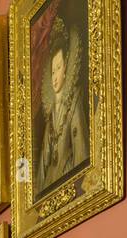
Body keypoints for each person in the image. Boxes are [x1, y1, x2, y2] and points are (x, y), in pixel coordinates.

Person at [36, 17, 88, 195]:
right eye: (52, 71)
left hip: (70, 184)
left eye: (58, 68)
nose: (55, 76)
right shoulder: (51, 114)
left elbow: (81, 151)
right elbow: (43, 163)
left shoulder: (73, 102)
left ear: (66, 67)